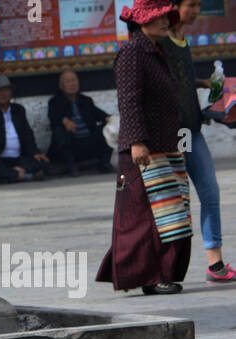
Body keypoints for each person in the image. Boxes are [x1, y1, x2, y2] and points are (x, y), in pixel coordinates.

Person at [96, 1, 191, 296]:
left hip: (166, 144)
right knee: (149, 218)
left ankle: (162, 273)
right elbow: (129, 101)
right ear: (142, 22)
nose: (165, 21)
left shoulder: (157, 51)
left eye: (166, 16)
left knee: (171, 214)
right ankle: (152, 277)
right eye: (159, 17)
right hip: (144, 148)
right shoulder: (132, 53)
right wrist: (137, 141)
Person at [167, 0, 235, 282]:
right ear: (173, 6)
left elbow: (182, 79)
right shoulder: (163, 40)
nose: (195, 11)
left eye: (198, 5)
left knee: (210, 192)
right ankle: (168, 266)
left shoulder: (182, 38)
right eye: (190, 5)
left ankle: (215, 263)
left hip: (192, 128)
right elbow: (166, 85)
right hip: (178, 132)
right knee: (177, 199)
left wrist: (205, 84)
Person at [0, 75, 50, 183]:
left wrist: (35, 152)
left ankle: (14, 173)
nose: (3, 94)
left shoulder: (18, 110)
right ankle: (27, 175)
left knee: (43, 162)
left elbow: (27, 134)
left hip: (19, 158)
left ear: (11, 92)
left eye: (6, 90)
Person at [46, 69, 113, 176]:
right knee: (59, 132)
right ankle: (72, 166)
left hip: (89, 140)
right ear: (61, 86)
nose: (72, 84)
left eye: (74, 80)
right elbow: (53, 117)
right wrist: (64, 120)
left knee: (108, 128)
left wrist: (110, 120)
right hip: (72, 142)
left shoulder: (86, 100)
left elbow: (99, 114)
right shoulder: (55, 102)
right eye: (68, 81)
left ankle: (105, 163)